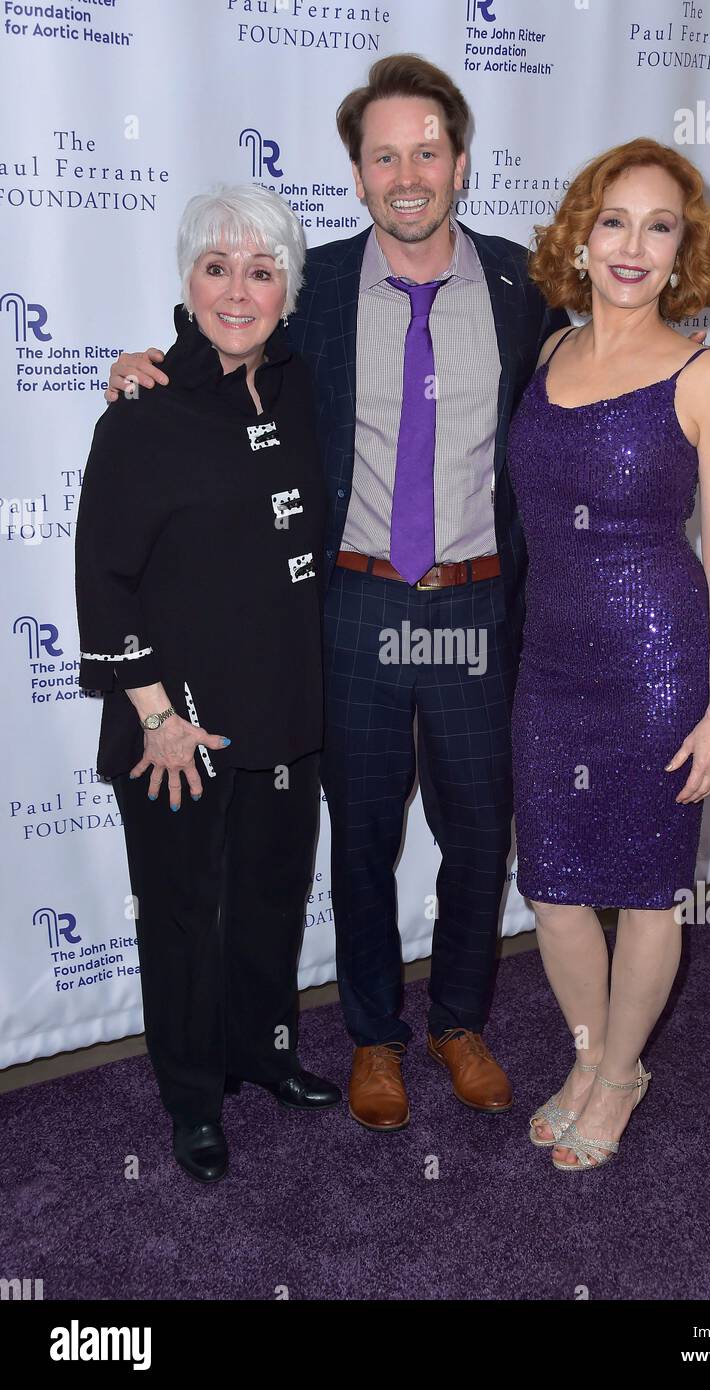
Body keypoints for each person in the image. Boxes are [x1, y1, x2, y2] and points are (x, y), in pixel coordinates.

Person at [105, 56, 710, 1135]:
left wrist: (707, 363)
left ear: (459, 161)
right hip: (353, 609)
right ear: (356, 176)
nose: (408, 174)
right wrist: (149, 361)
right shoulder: (310, 297)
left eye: (427, 152)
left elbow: (622, 345)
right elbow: (230, 331)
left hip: (481, 609)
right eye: (383, 156)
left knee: (477, 829)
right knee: (356, 834)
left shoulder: (520, 287)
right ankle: (372, 1037)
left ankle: (458, 1019)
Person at [76, 184, 340, 1183]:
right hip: (172, 728)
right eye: (217, 267)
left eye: (261, 269)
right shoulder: (144, 412)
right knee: (185, 912)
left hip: (283, 707)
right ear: (187, 282)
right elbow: (104, 577)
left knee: (271, 895)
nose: (239, 288)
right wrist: (157, 717)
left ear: (287, 288)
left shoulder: (307, 387)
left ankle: (263, 1057)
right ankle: (192, 1098)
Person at [507, 138, 710, 1170]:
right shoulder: (544, 353)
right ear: (581, 231)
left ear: (681, 252)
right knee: (554, 888)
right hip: (548, 662)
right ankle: (589, 1049)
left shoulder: (706, 379)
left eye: (660, 228)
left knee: (648, 889)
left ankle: (618, 1075)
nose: (632, 246)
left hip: (658, 666)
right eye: (614, 221)